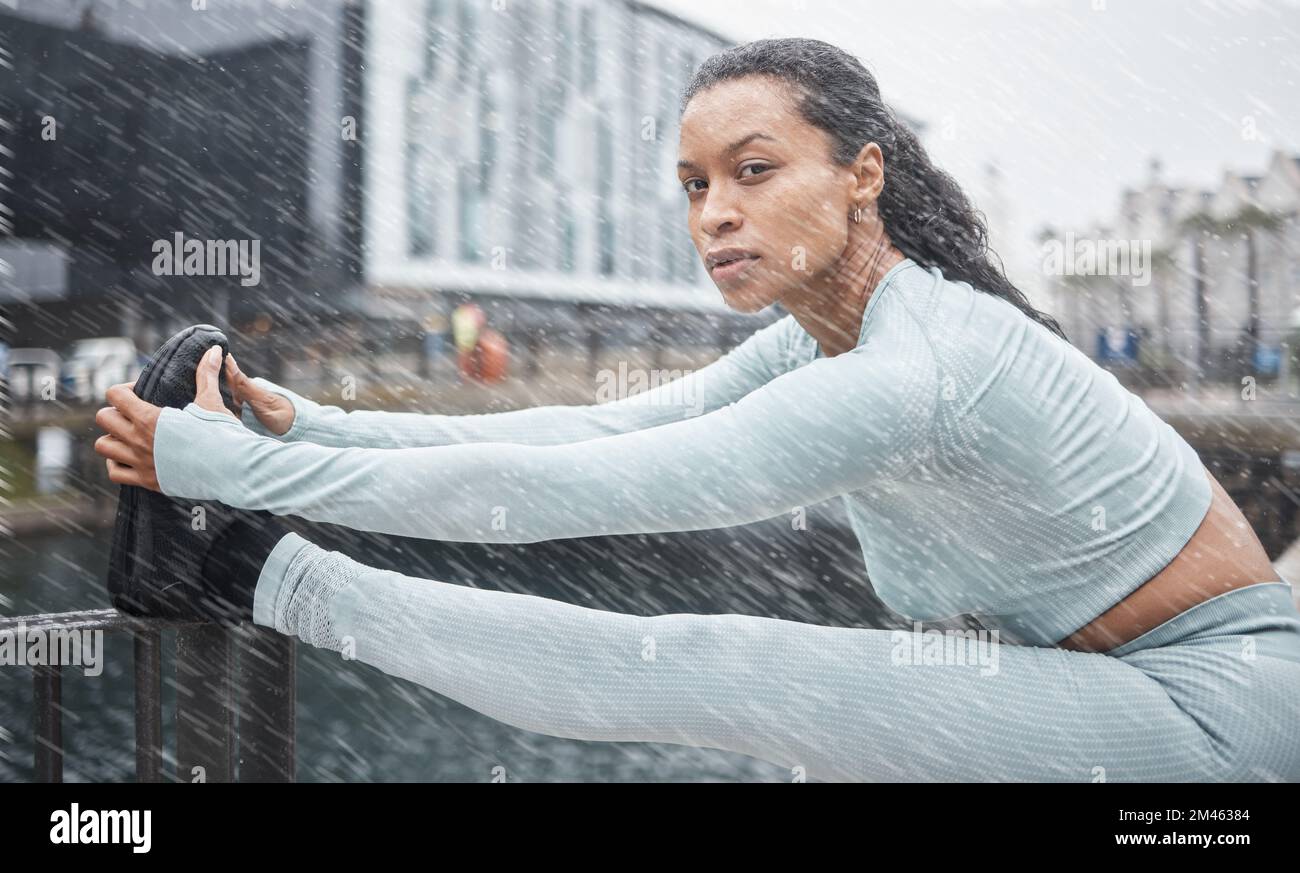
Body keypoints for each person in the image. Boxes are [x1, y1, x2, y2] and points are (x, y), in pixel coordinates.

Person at [93, 37, 1300, 782]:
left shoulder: (913, 369)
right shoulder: (830, 336)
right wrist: (305, 427)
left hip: (1211, 723)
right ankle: (248, 553)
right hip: (1111, 687)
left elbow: (585, 496)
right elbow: (596, 431)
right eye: (693, 186)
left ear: (863, 173)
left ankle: (251, 575)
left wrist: (221, 475)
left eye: (754, 171)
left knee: (730, 669)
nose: (712, 213)